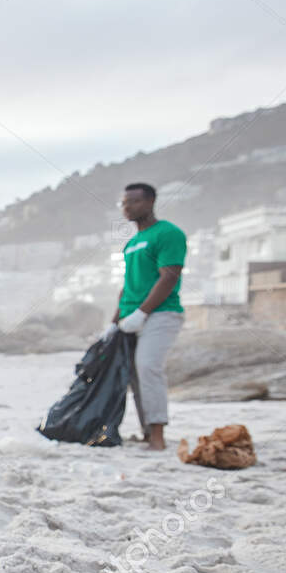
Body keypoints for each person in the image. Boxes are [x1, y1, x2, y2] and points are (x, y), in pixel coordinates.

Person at [103, 182, 186, 451]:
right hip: (129, 318)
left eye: (133, 202)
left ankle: (159, 438)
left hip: (161, 313)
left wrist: (143, 312)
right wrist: (114, 322)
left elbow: (169, 276)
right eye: (124, 203)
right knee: (134, 375)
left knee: (149, 366)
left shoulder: (168, 233)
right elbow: (127, 286)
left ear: (149, 202)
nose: (127, 207)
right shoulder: (131, 243)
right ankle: (147, 432)